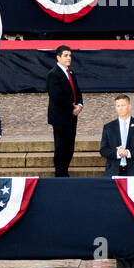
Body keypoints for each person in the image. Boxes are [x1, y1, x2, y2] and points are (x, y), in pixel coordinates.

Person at [44, 45, 82, 177]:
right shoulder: (53, 74)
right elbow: (56, 96)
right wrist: (72, 108)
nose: (69, 58)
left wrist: (80, 105)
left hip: (72, 116)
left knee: (70, 146)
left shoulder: (70, 72)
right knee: (61, 146)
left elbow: (77, 90)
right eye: (66, 55)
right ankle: (60, 173)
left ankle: (65, 170)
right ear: (58, 57)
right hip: (60, 117)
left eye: (70, 55)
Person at [99, 93, 134, 176]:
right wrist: (118, 153)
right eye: (118, 106)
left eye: (123, 105)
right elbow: (103, 150)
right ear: (115, 108)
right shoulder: (108, 127)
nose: (121, 108)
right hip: (114, 171)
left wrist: (128, 153)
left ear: (129, 106)